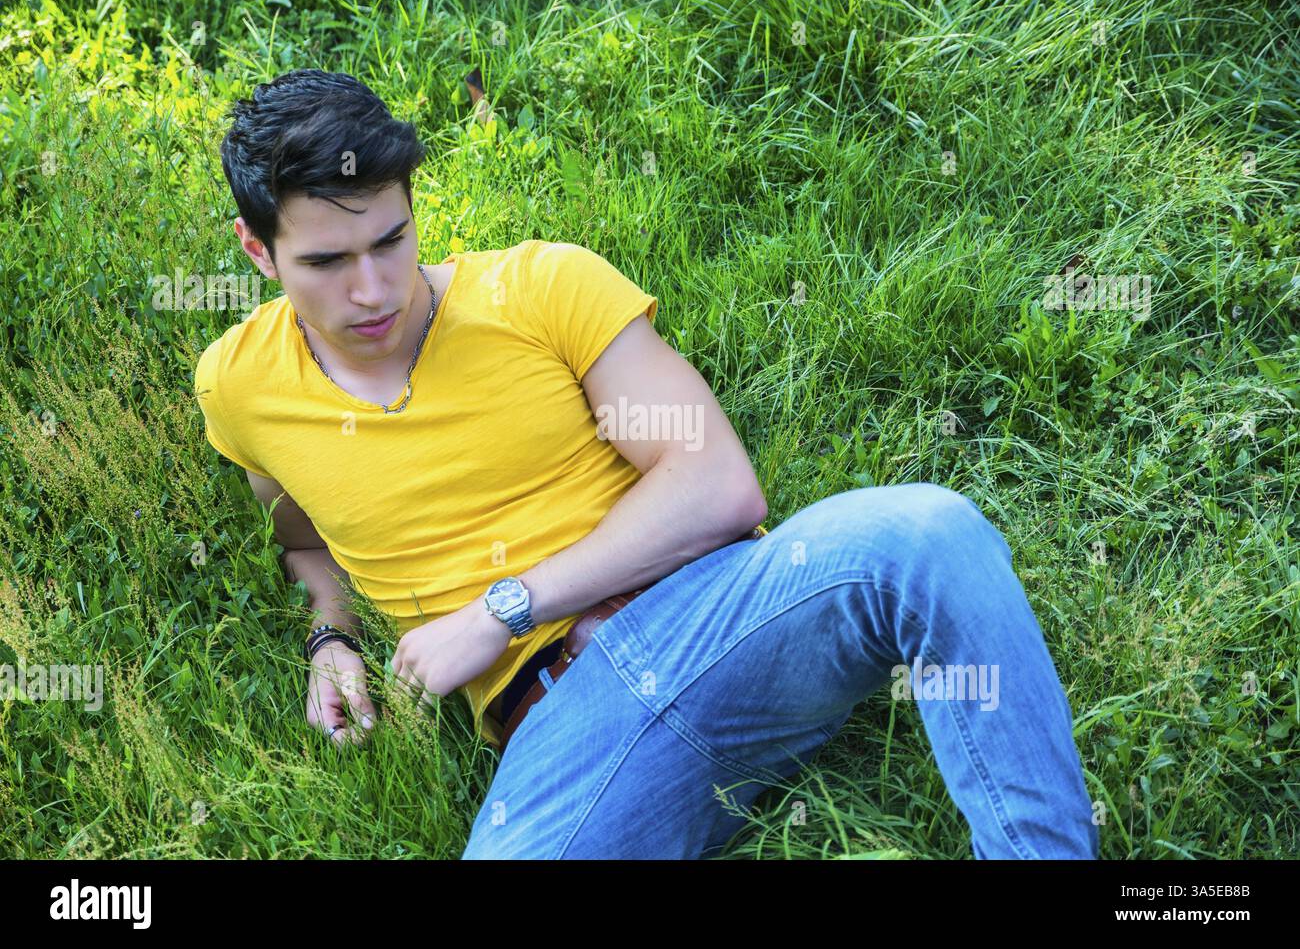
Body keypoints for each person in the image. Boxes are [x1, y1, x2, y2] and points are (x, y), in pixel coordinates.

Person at [197, 68, 1098, 859]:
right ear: (256, 249)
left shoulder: (542, 288)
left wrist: (504, 609)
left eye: (391, 241)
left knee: (924, 534)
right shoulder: (241, 388)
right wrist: (331, 632)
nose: (372, 289)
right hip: (567, 733)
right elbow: (303, 532)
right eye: (326, 260)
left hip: (718, 624)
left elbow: (714, 484)